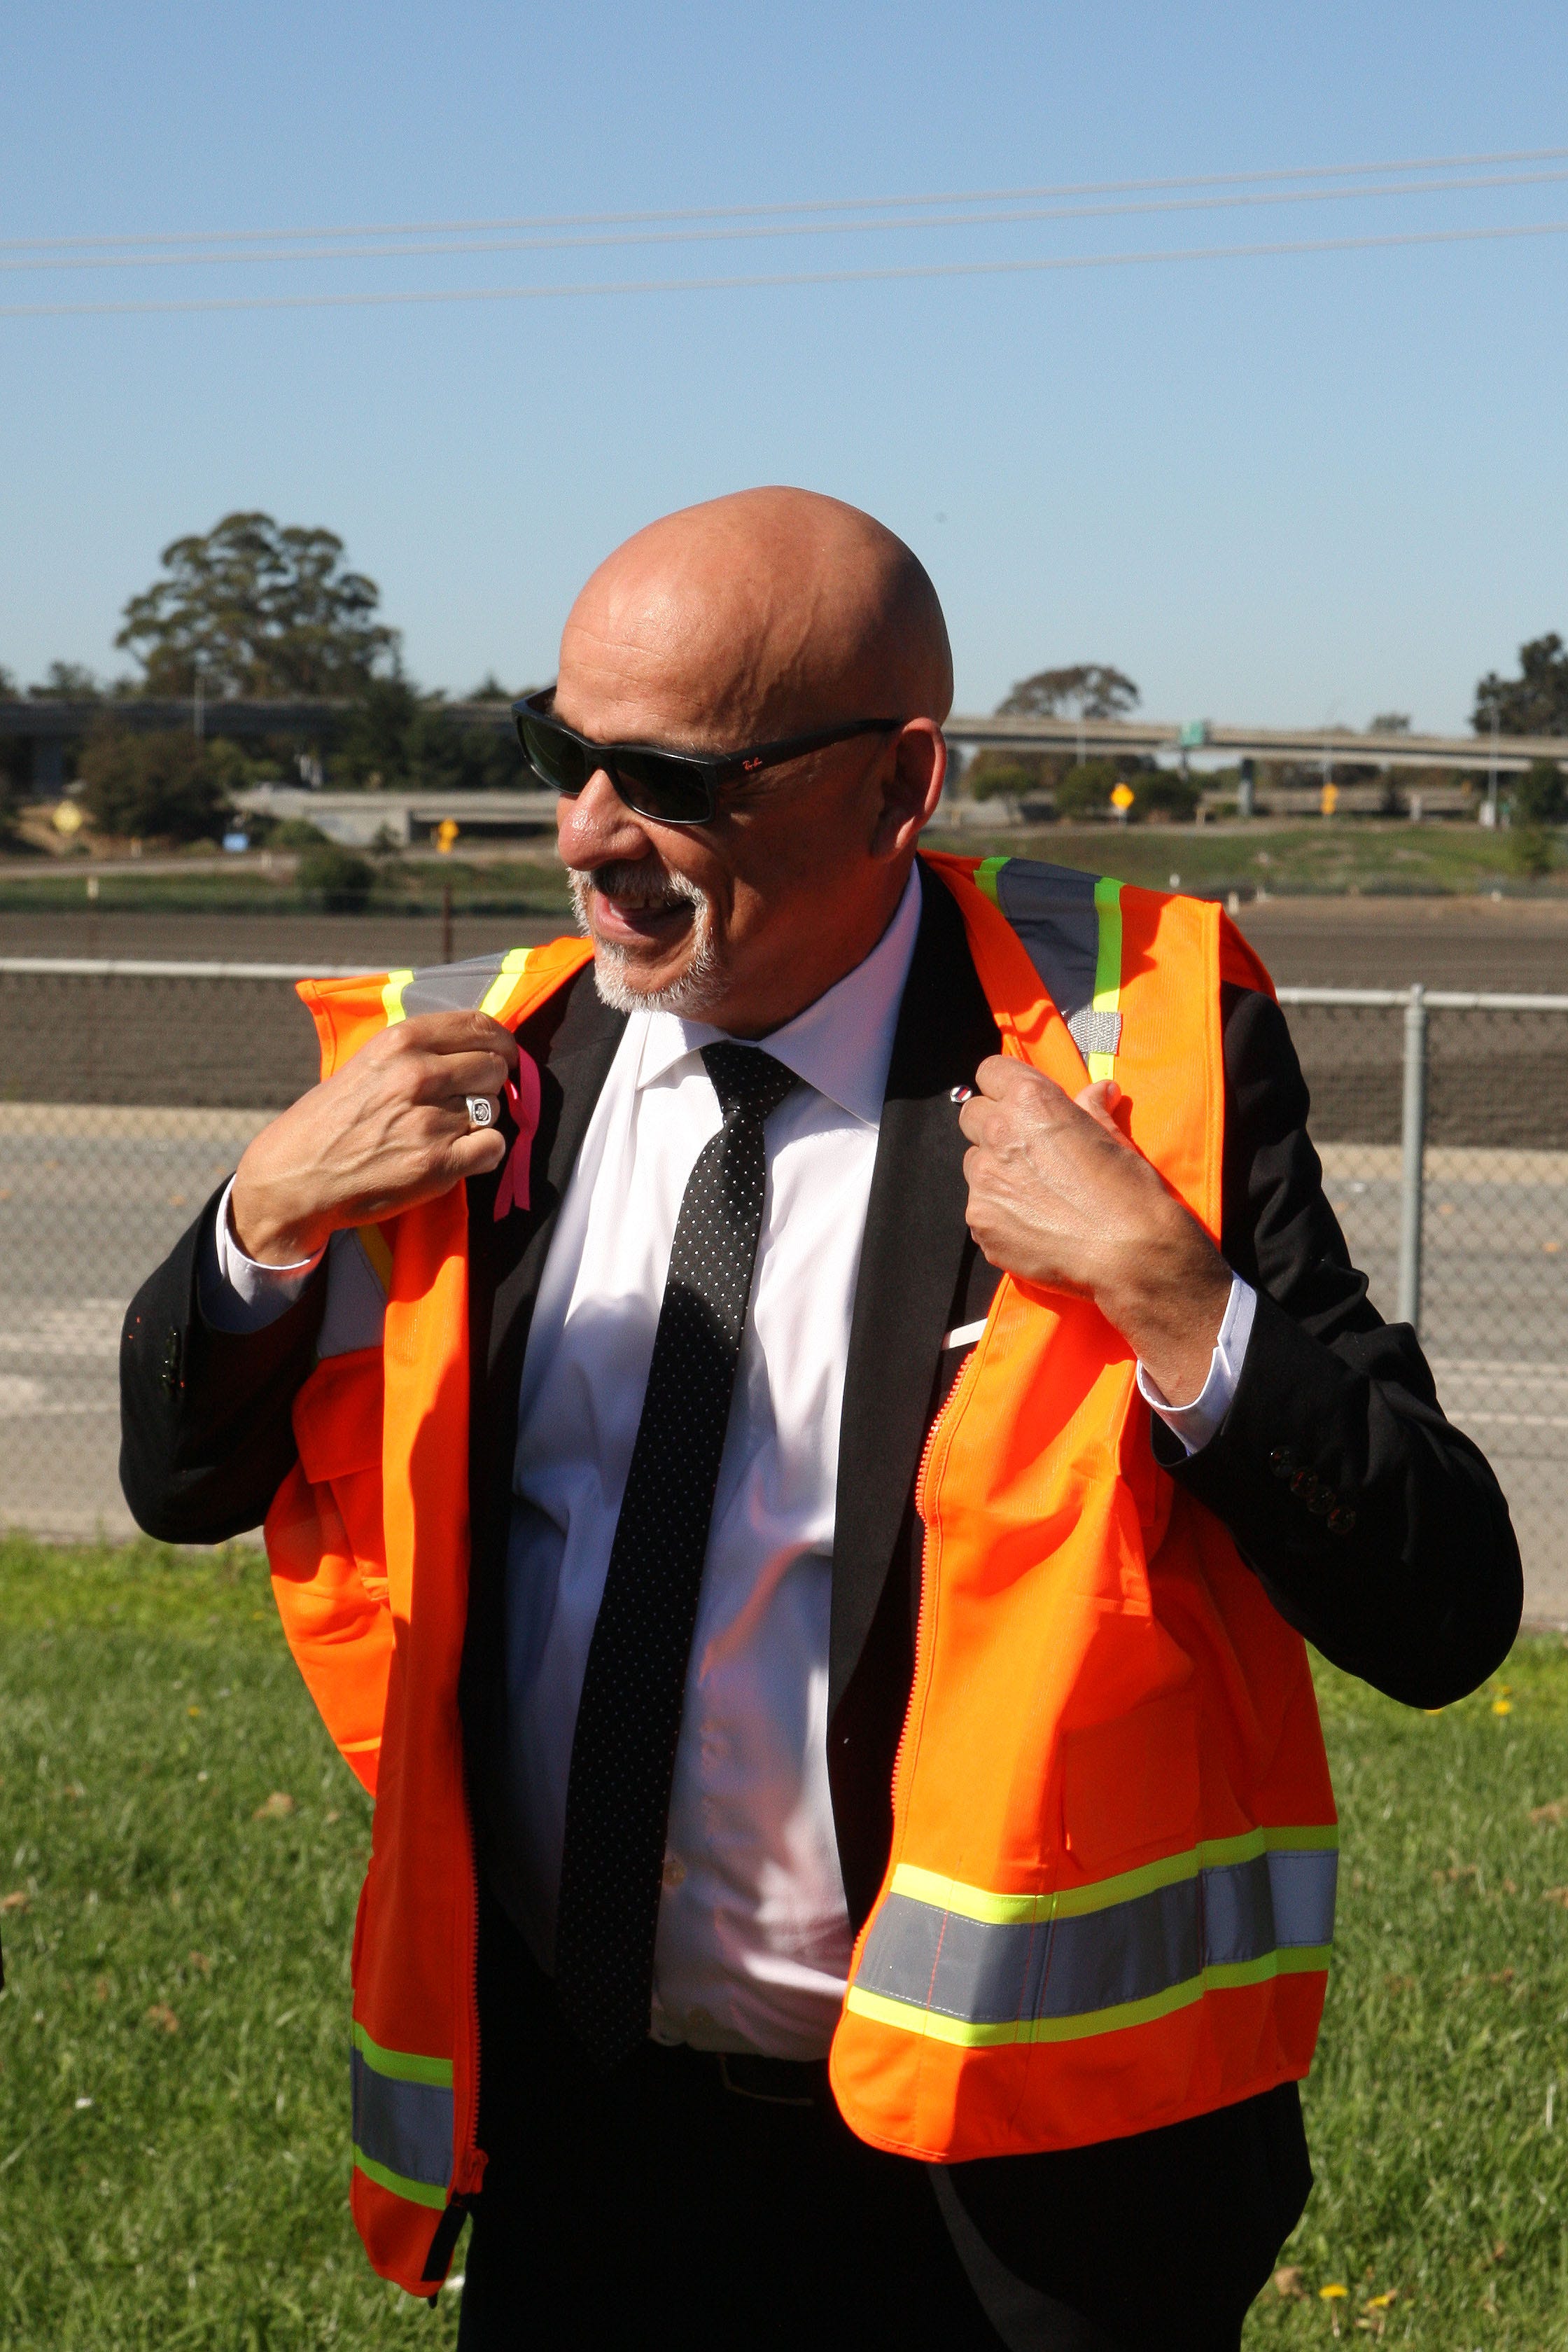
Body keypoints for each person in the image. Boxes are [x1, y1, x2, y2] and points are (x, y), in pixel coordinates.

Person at [120, 489, 1521, 2352]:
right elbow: (181, 1476)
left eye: (672, 780)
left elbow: (1443, 1606)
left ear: (899, 783)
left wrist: (1178, 1301)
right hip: (586, 2155)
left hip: (1014, 2204)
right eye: (559, 750)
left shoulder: (1133, 1070)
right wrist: (258, 1228)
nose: (586, 831)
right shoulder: (484, 1067)